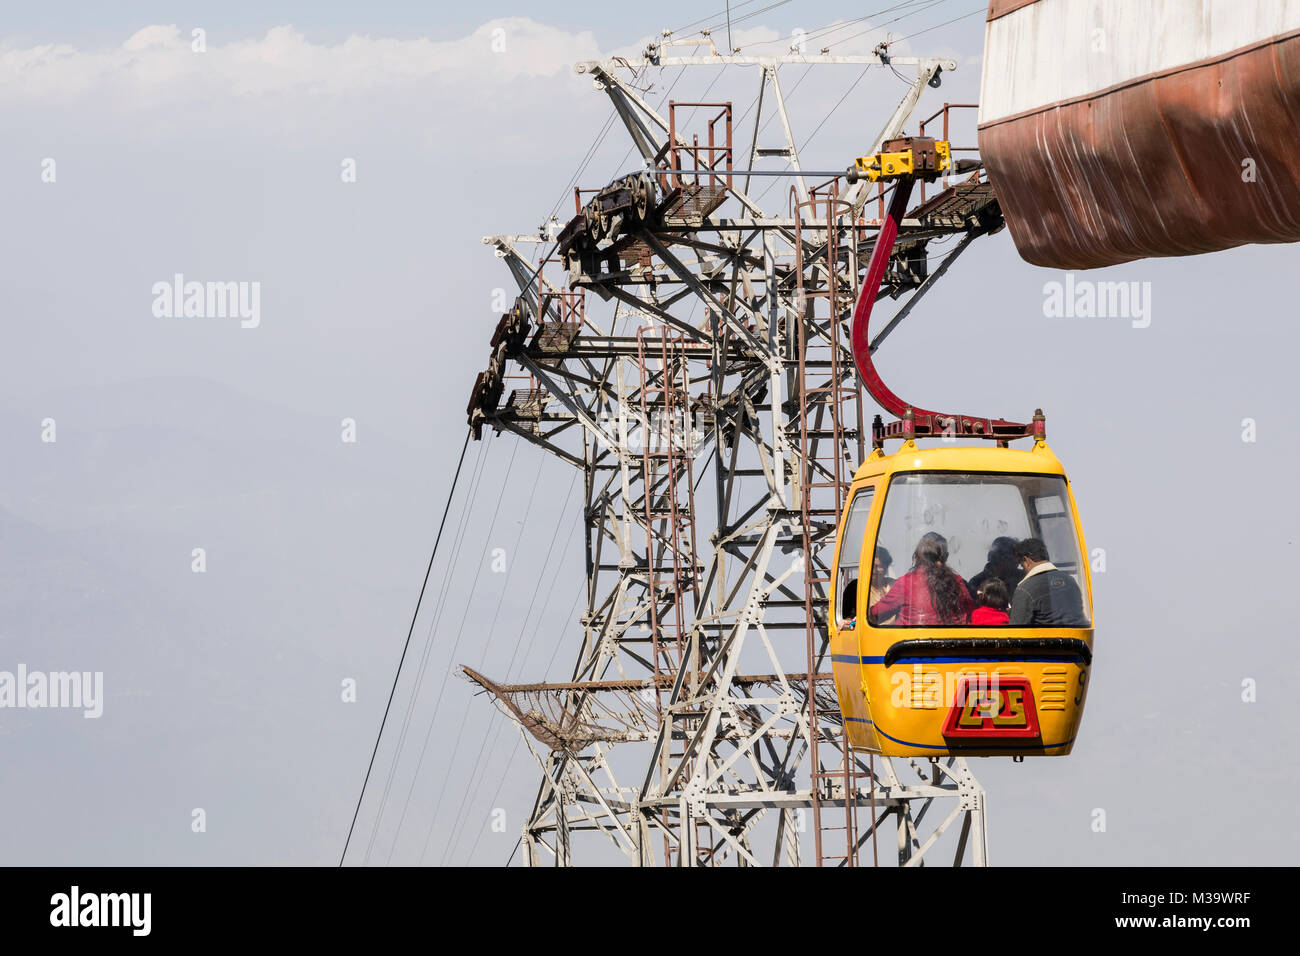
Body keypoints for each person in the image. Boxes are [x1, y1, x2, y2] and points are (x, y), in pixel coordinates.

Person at [869, 532, 974, 625]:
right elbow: (971, 612)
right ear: (946, 557)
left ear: (917, 556)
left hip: (911, 644)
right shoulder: (958, 581)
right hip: (953, 644)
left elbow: (876, 614)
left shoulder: (906, 583)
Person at [1008, 538, 1088, 626]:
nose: (1022, 569)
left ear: (1026, 560)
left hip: (1048, 639)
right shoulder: (1070, 581)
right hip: (1075, 638)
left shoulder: (1024, 589)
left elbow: (1016, 630)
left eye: (1021, 565)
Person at [967, 536, 1025, 602]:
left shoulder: (1022, 576)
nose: (1018, 562)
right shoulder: (976, 583)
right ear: (1002, 559)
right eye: (1014, 558)